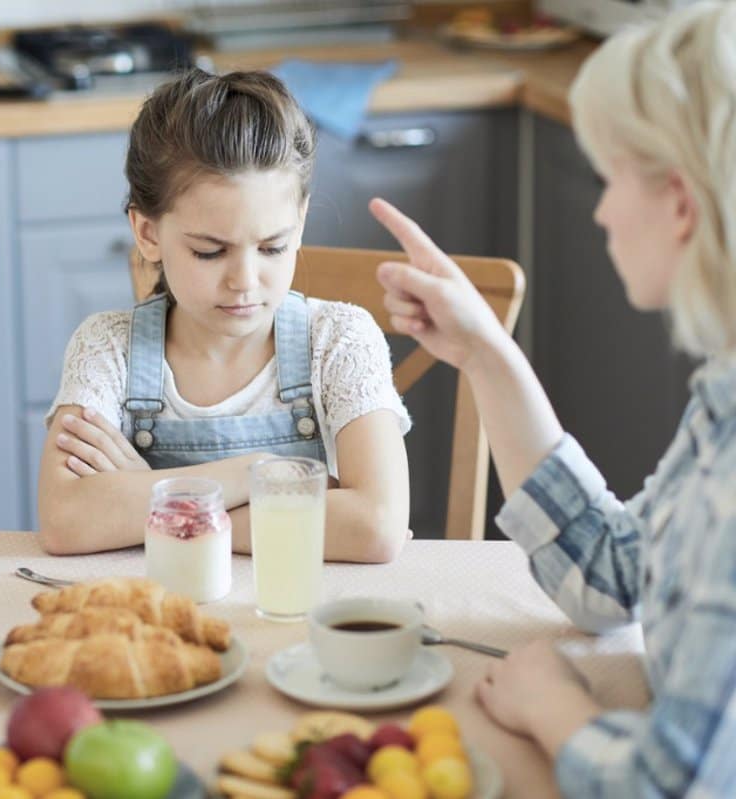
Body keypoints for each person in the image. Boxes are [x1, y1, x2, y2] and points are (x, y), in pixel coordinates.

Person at [371, 3, 736, 794]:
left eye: (610, 179)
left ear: (680, 201)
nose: (601, 209)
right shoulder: (723, 402)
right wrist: (486, 354)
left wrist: (554, 707)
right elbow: (610, 574)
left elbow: (669, 786)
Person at [38, 69, 411, 561]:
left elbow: (376, 527)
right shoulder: (108, 348)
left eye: (273, 247)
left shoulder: (340, 338)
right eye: (211, 252)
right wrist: (259, 472)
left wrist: (157, 500)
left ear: (299, 223)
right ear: (148, 233)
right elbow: (65, 521)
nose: (245, 280)